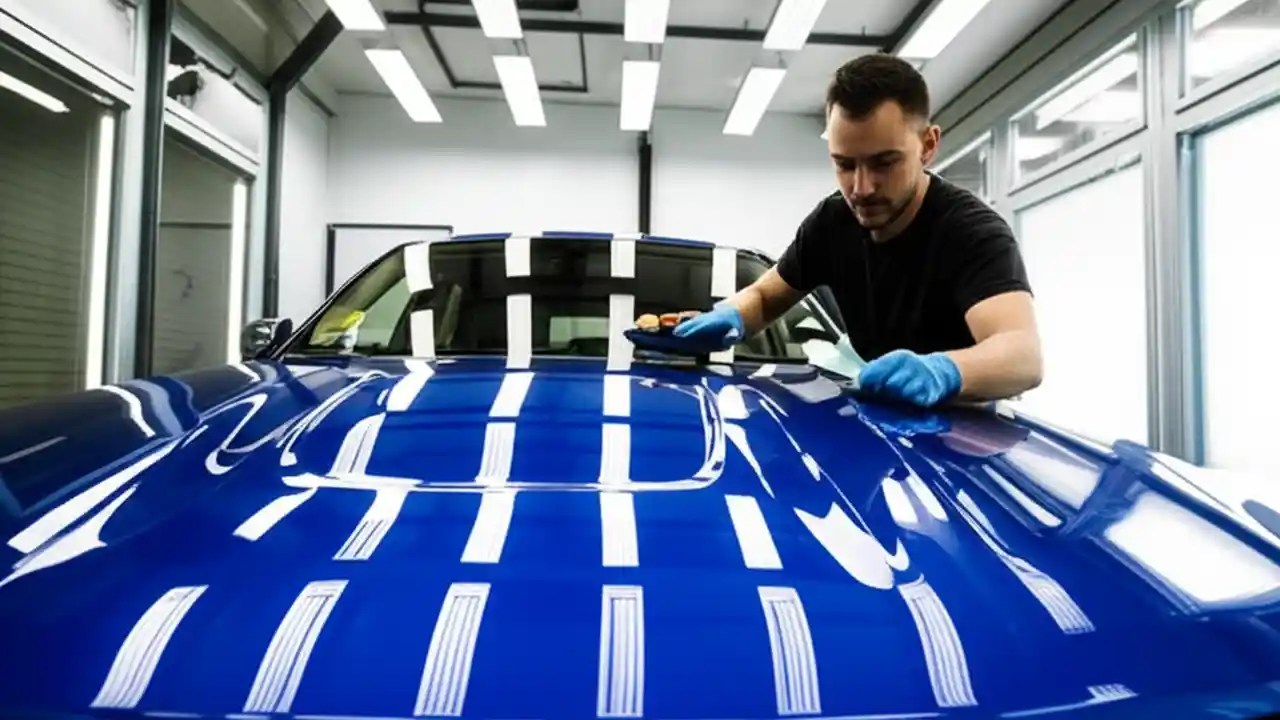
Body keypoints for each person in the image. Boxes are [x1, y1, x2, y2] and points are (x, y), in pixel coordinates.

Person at [635, 53, 1043, 408]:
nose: (861, 188)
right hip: (880, 418)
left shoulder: (972, 233)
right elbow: (765, 296)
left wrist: (942, 371)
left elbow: (1023, 355)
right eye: (845, 165)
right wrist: (729, 318)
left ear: (928, 145)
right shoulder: (833, 222)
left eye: (885, 163)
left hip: (963, 431)